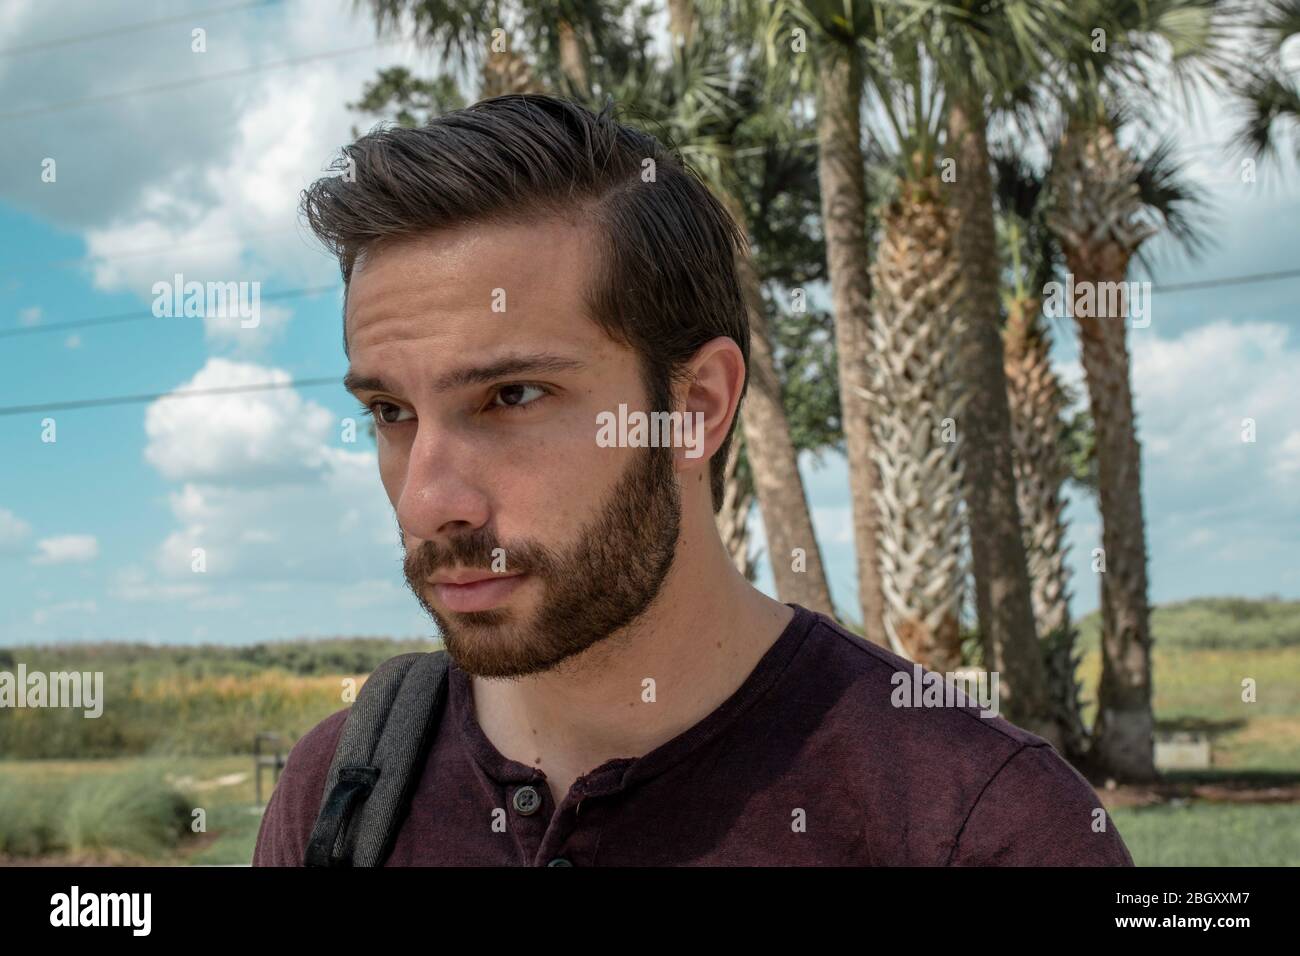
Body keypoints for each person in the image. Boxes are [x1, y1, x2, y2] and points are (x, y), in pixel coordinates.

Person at [253, 94, 1133, 867]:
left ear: (696, 406)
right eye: (391, 412)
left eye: (511, 396)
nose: (427, 502)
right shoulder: (347, 788)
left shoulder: (973, 823)